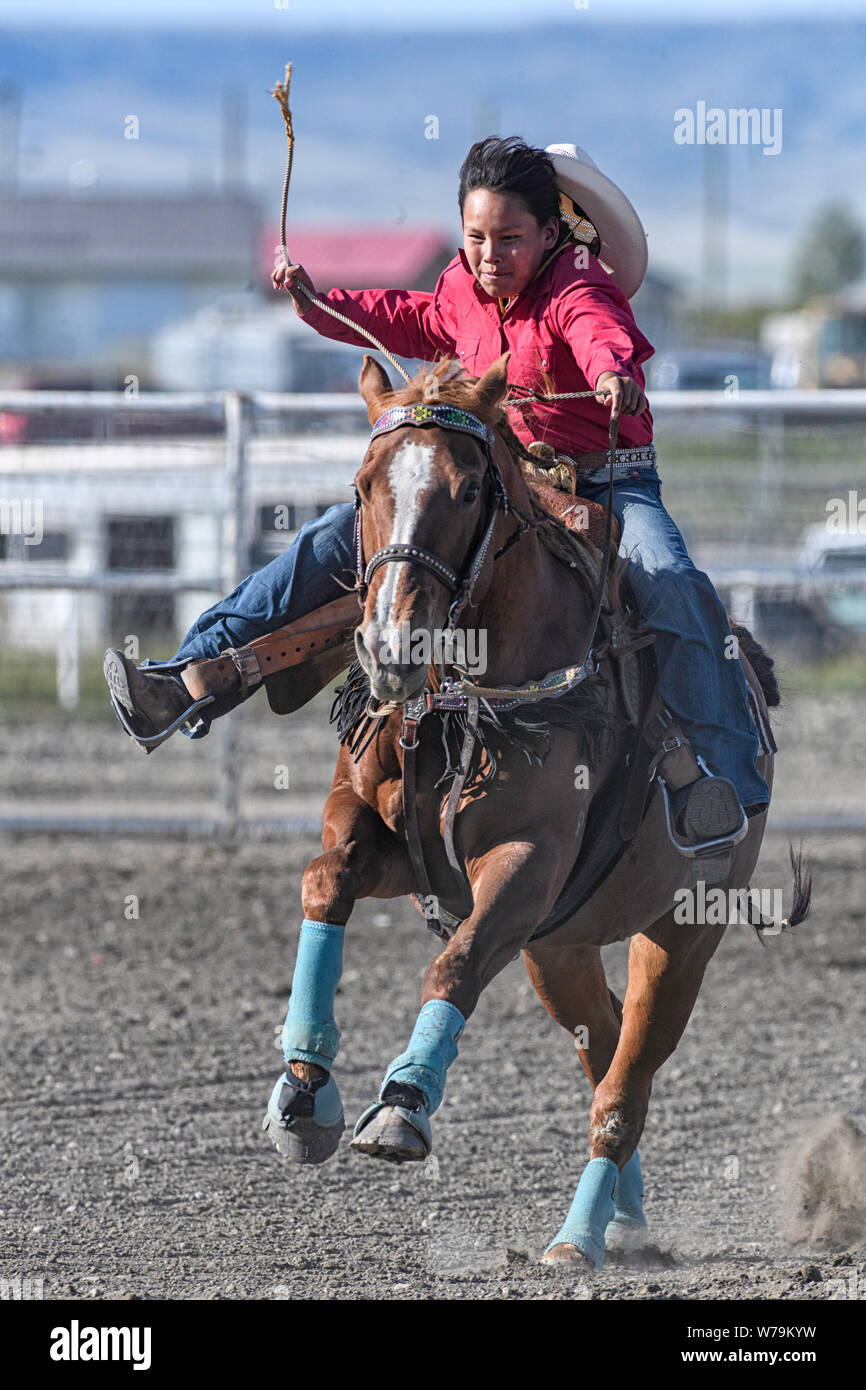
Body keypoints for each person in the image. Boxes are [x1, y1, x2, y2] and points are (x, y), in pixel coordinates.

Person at [104, 136, 769, 846]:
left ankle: (719, 775)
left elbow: (597, 331)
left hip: (606, 482)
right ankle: (180, 681)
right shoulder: (461, 285)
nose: (490, 254)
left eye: (509, 239)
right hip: (499, 480)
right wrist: (317, 303)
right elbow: (405, 316)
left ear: (551, 233)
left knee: (668, 577)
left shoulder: (579, 285)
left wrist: (611, 372)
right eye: (477, 237)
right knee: (329, 541)